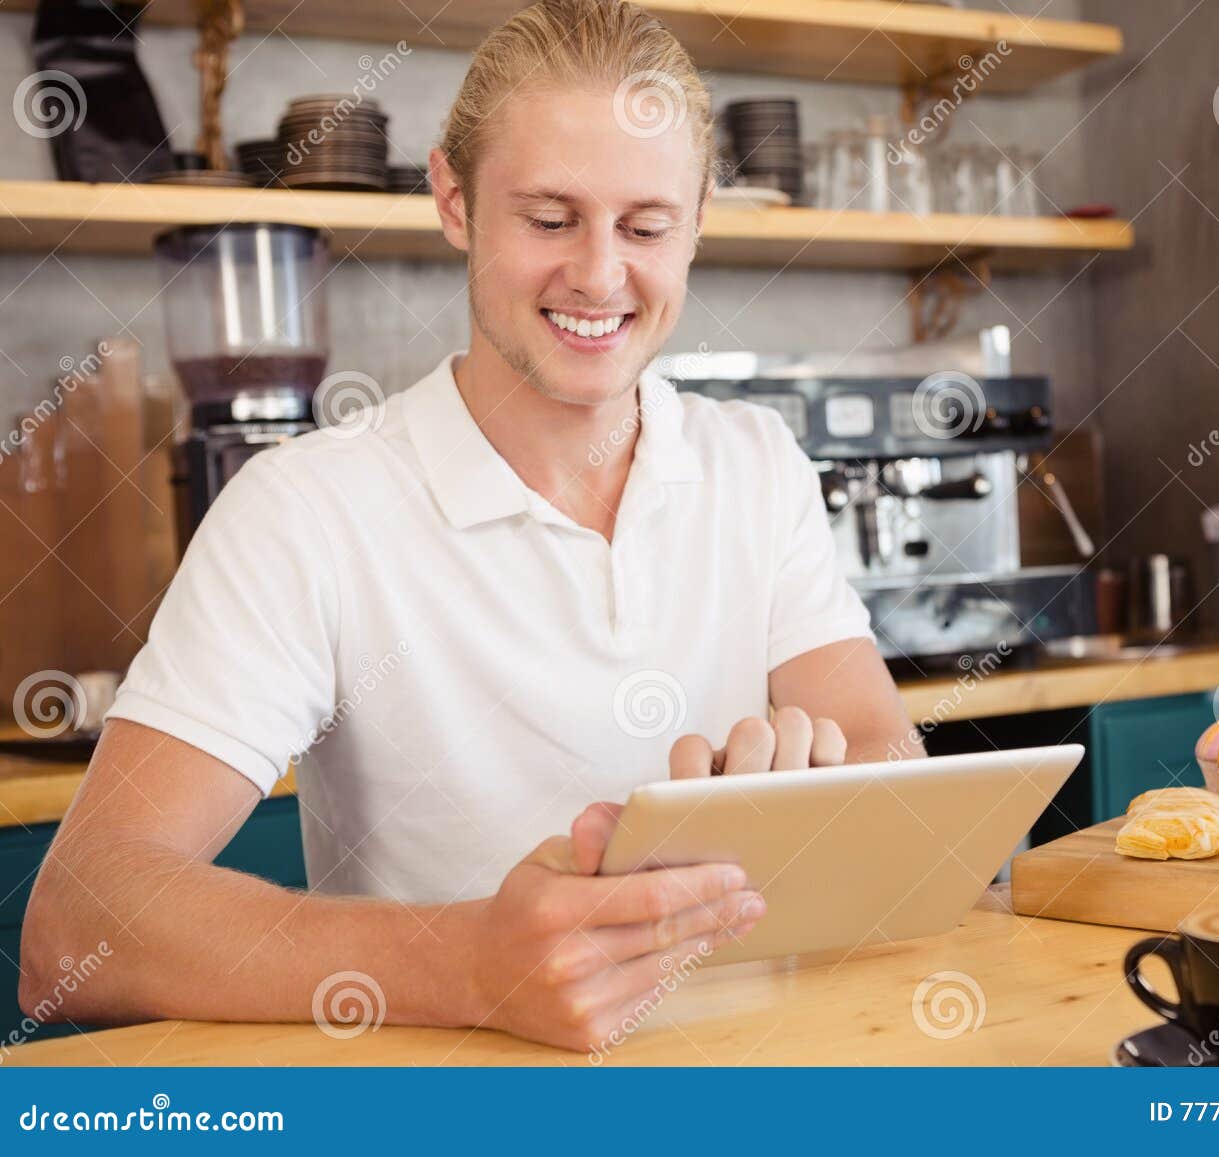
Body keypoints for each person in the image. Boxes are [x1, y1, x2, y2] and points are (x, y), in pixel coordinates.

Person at [20, 0, 920, 1053]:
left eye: (645, 225)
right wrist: (472, 962)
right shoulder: (306, 509)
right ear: (453, 198)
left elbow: (890, 769)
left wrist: (829, 796)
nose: (597, 274)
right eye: (549, 218)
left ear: (700, 219)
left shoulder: (754, 461)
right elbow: (76, 922)